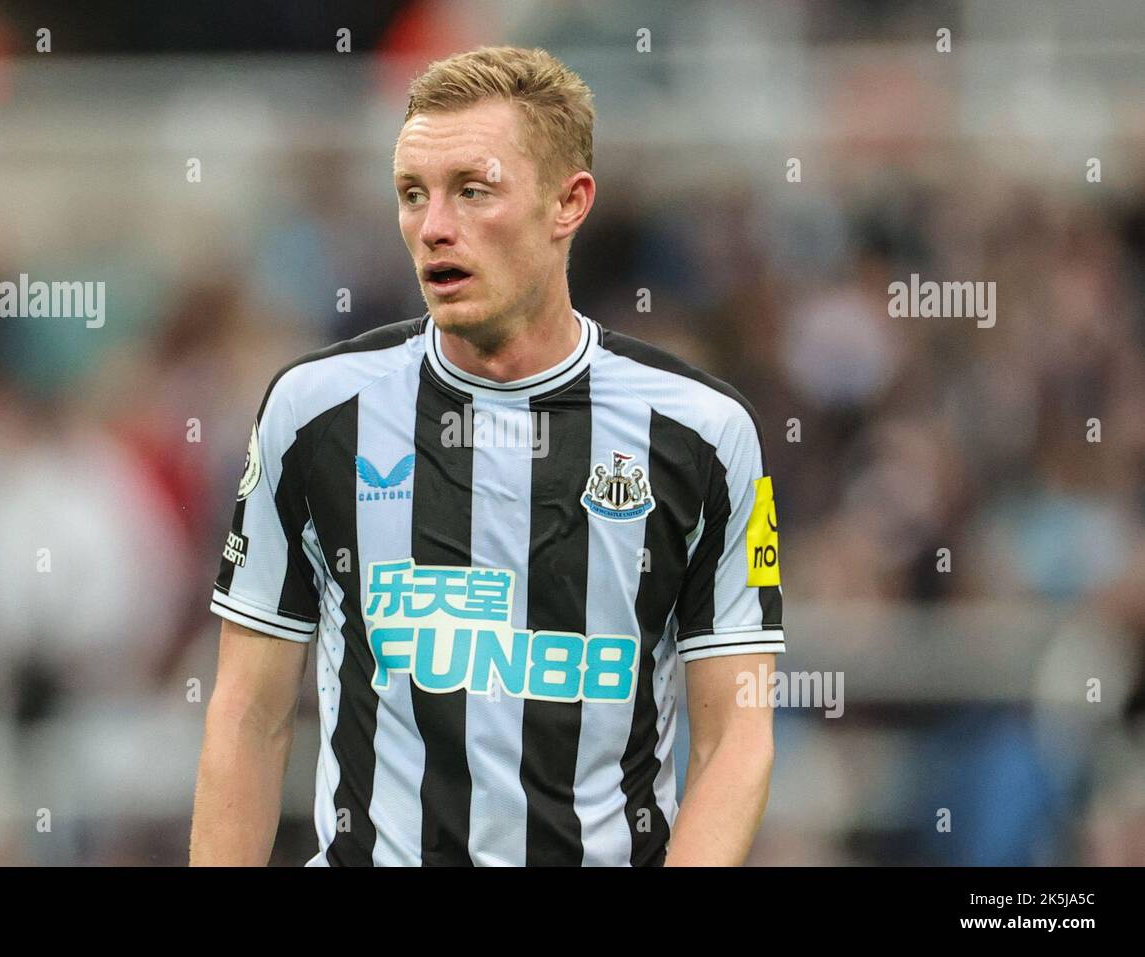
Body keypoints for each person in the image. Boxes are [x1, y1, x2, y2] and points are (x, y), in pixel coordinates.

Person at [190, 45, 783, 867]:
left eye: (474, 190)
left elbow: (736, 736)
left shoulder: (704, 434)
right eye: (412, 194)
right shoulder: (314, 413)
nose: (433, 226)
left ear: (567, 203)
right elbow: (248, 716)